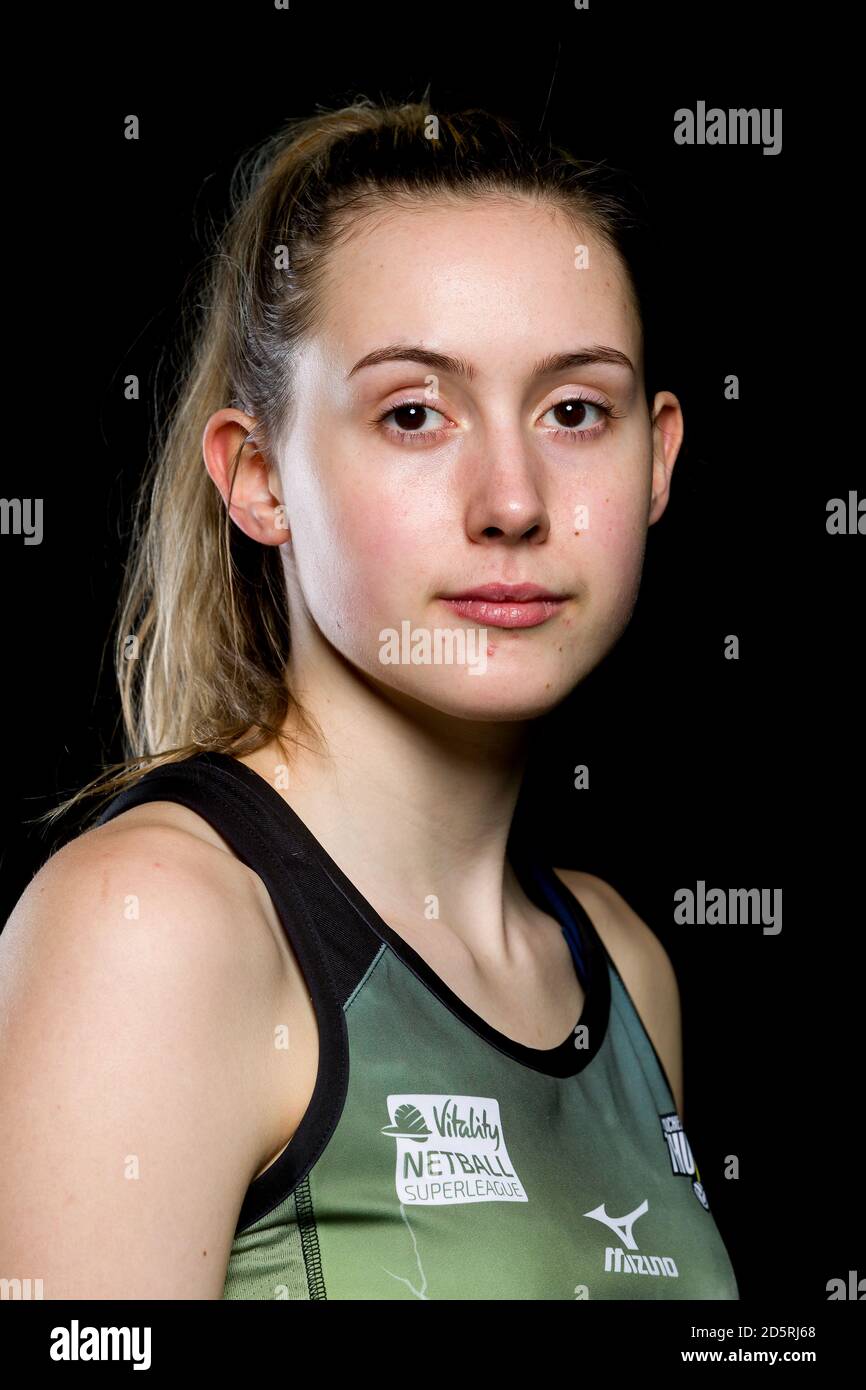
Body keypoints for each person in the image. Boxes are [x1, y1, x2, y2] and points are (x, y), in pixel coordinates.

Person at [0, 96, 738, 1300]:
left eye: (571, 411)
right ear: (257, 478)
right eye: (412, 413)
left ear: (655, 460)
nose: (511, 500)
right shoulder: (153, 929)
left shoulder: (624, 965)